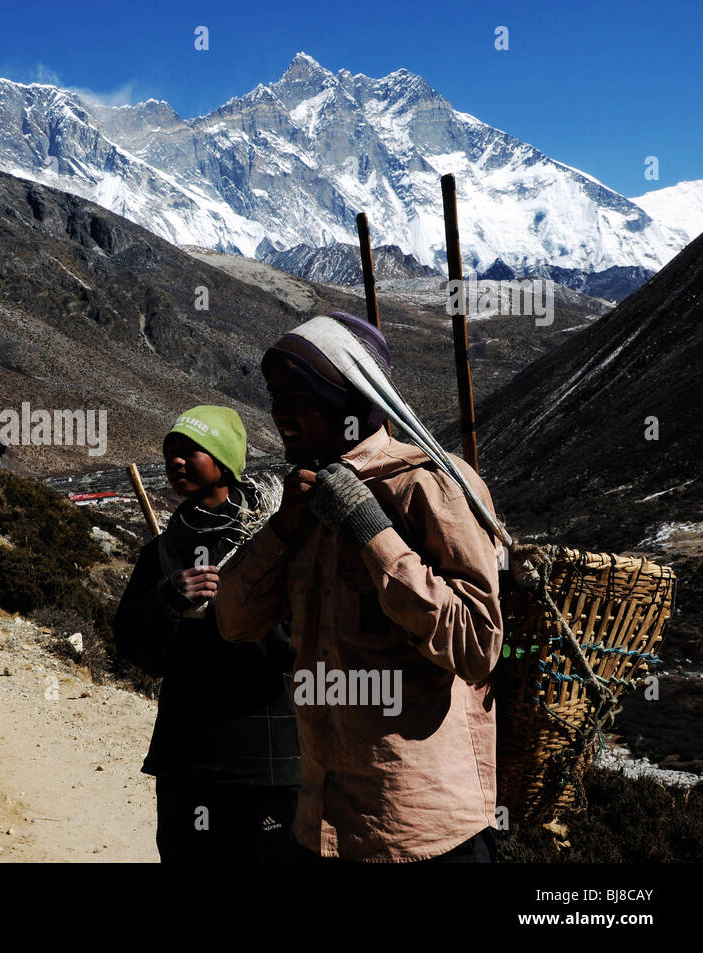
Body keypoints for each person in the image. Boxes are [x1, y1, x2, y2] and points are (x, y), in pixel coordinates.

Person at [216, 312, 504, 863]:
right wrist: (283, 526)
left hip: (422, 831)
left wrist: (371, 533)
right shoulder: (304, 498)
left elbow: (476, 644)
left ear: (347, 398)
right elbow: (234, 621)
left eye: (298, 395)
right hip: (322, 827)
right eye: (274, 395)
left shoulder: (431, 484)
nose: (280, 413)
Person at [113, 406, 300, 863]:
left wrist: (234, 612)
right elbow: (133, 647)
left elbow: (302, 642)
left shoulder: (276, 544)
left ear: (224, 463)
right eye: (169, 452)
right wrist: (167, 600)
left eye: (190, 451)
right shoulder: (159, 554)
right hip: (187, 754)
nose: (175, 461)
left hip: (266, 755)